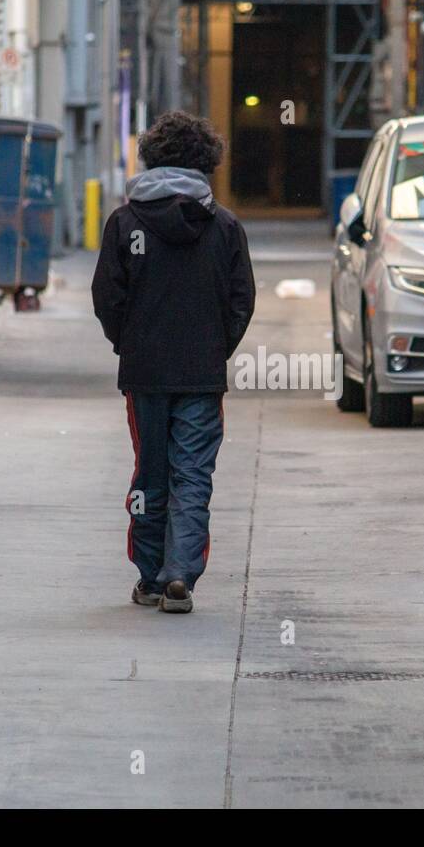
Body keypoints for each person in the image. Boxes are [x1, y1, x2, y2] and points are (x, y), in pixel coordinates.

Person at [92, 111, 255, 614]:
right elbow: (241, 300)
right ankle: (180, 574)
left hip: (144, 375)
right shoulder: (224, 226)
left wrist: (130, 343)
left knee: (150, 472)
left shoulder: (124, 223)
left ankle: (148, 577)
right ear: (208, 162)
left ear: (151, 156)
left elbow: (106, 297)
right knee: (193, 474)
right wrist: (214, 349)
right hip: (201, 376)